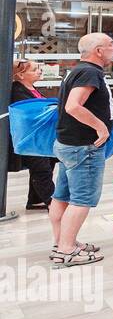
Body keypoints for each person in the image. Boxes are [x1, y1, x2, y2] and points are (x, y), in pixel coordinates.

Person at [49, 32, 113, 267]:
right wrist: (102, 128)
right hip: (83, 146)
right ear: (98, 50)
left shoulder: (79, 70)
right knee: (82, 199)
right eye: (111, 44)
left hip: (69, 144)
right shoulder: (89, 72)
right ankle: (67, 250)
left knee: (62, 196)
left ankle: (62, 243)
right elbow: (73, 106)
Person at [10, 60, 55, 212]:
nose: (39, 71)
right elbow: (28, 113)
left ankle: (35, 201)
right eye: (35, 69)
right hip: (29, 138)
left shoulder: (31, 88)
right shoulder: (17, 91)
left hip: (39, 137)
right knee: (42, 169)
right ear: (21, 75)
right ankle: (52, 202)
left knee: (47, 164)